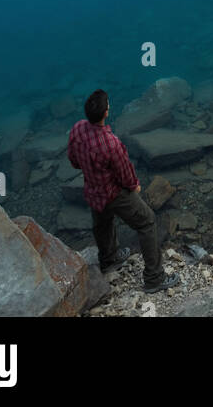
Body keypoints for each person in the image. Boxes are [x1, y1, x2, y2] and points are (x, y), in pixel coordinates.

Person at [67, 89, 168, 291]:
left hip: (93, 190)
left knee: (102, 223)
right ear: (106, 113)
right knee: (147, 221)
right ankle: (154, 278)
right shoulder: (111, 144)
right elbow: (125, 174)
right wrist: (134, 186)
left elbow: (74, 161)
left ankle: (109, 259)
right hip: (113, 193)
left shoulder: (77, 129)